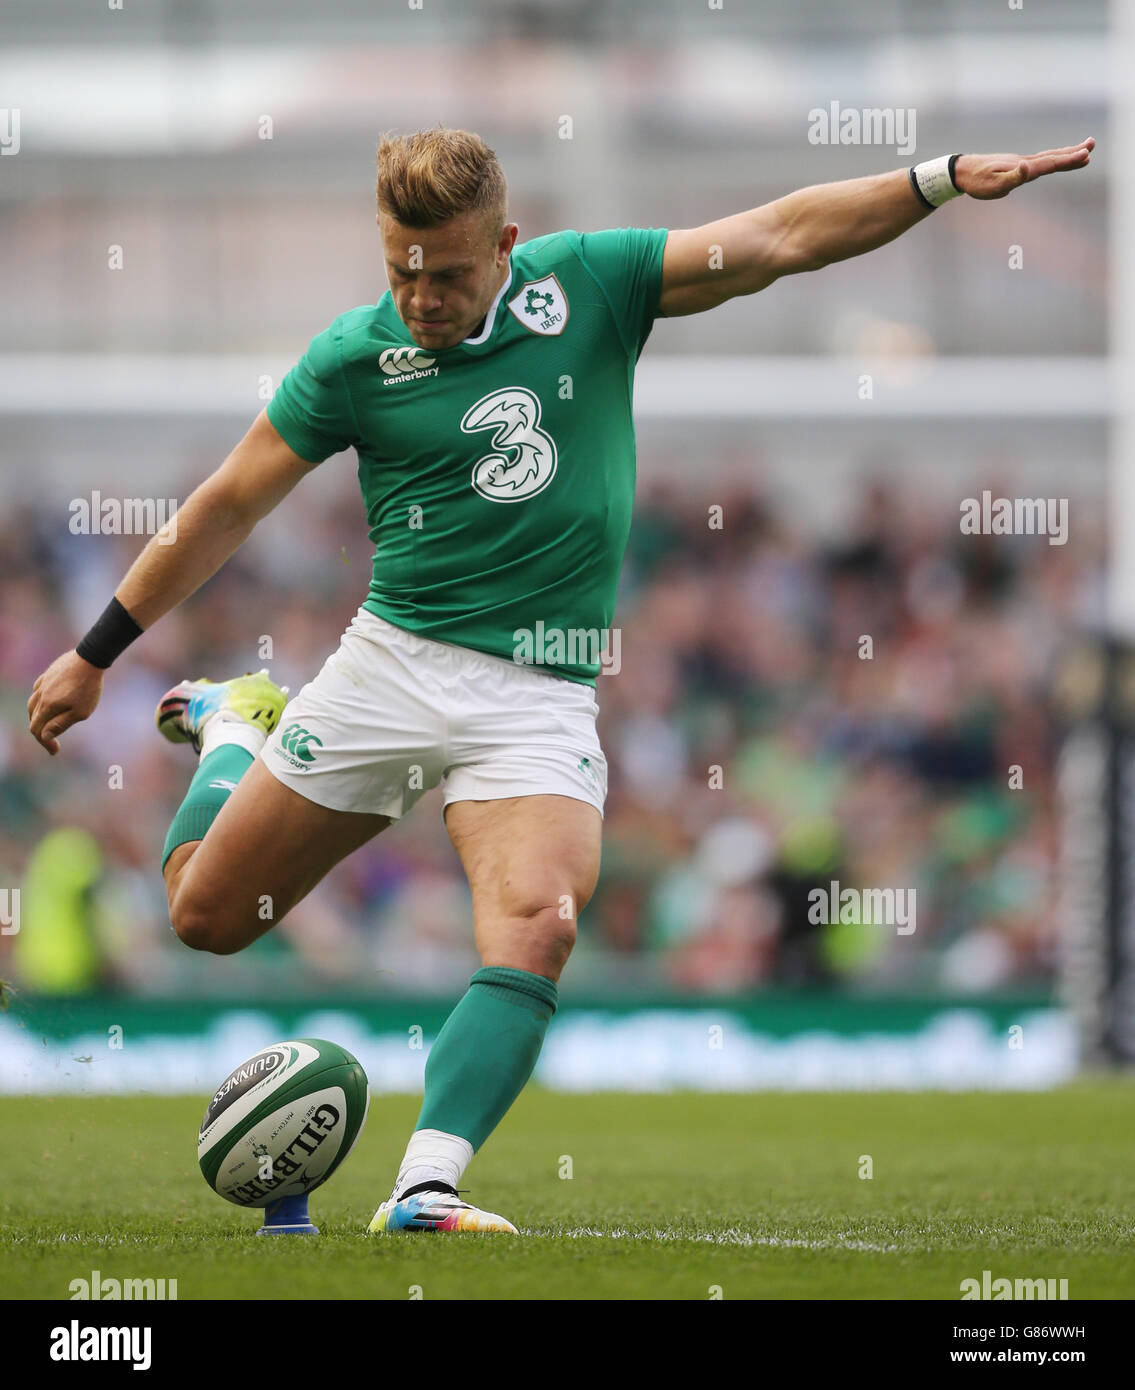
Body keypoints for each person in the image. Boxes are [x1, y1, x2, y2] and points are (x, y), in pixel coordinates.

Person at [27, 126, 1094, 1233]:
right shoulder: (351, 357)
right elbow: (227, 503)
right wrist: (95, 649)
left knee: (537, 922)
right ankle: (235, 730)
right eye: (399, 266)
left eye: (445, 273)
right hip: (390, 665)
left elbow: (778, 237)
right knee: (206, 916)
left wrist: (931, 182)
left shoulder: (588, 283)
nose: (420, 295)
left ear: (507, 246)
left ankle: (425, 1184)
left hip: (537, 693)